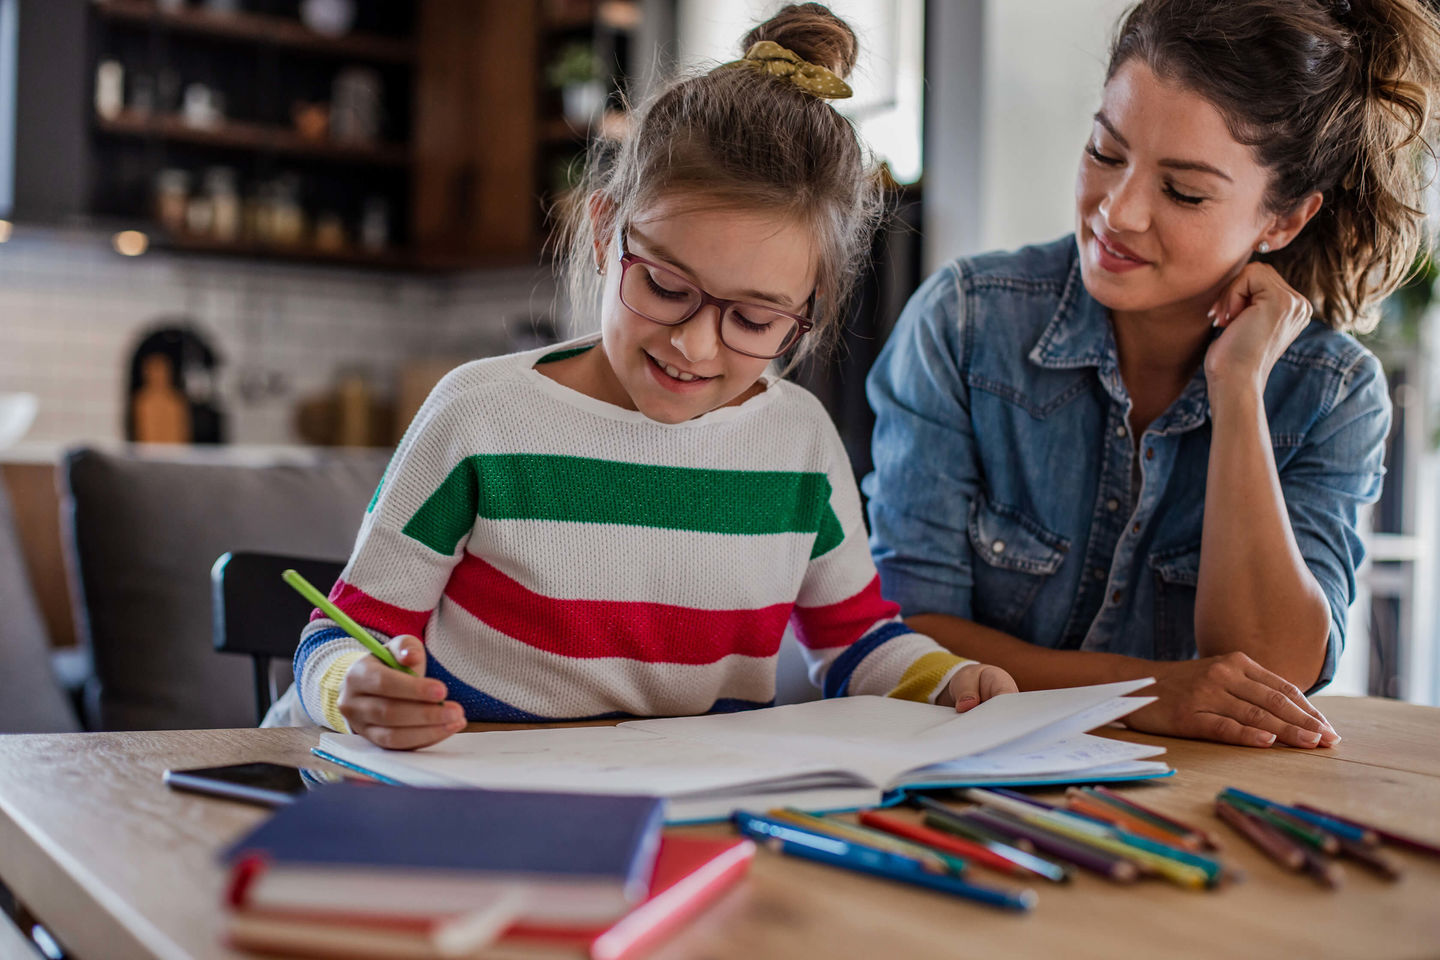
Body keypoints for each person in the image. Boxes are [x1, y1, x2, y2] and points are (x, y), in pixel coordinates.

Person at [291, 4, 1016, 749]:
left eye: (755, 320)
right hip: (481, 805)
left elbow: (856, 643)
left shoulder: (799, 443)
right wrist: (358, 690)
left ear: (809, 309)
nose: (695, 346)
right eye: (667, 287)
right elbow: (337, 640)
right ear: (606, 234)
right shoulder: (479, 418)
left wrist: (950, 679)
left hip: (693, 817)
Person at [866, 0, 1440, 749]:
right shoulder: (969, 321)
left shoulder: (1333, 393)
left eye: (1183, 192)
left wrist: (1238, 390)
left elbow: (1273, 674)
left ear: (1285, 219)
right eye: (1106, 152)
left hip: (1195, 809)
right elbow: (908, 633)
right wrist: (1142, 692)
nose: (1119, 211)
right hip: (959, 779)